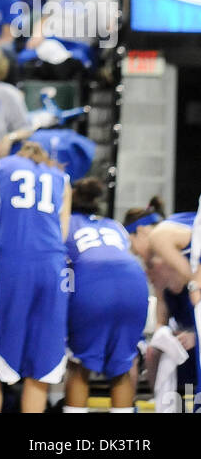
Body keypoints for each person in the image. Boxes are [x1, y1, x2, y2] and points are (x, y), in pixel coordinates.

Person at [0, 140, 72, 414]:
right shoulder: (62, 178)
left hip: (11, 265)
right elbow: (62, 233)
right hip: (52, 268)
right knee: (41, 367)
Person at [63, 177, 149, 414]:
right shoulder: (114, 225)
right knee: (122, 363)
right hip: (134, 284)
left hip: (93, 285)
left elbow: (63, 269)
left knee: (79, 363)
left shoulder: (65, 224)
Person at [124, 196, 201, 406]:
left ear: (140, 232)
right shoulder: (161, 264)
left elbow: (197, 287)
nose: (137, 256)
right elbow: (161, 323)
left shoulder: (161, 236)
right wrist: (165, 338)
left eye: (133, 248)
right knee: (154, 352)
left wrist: (196, 335)